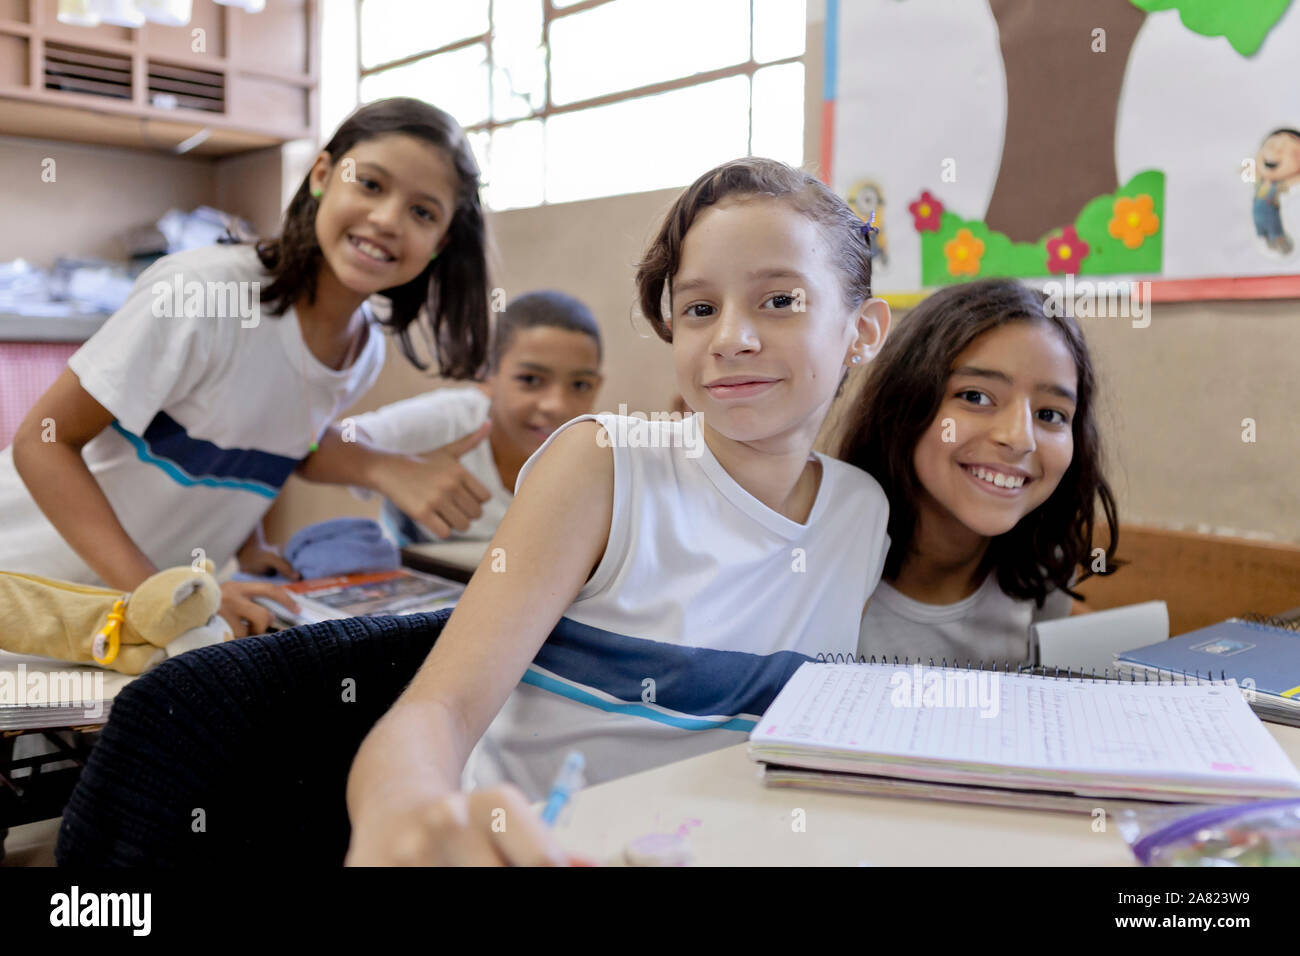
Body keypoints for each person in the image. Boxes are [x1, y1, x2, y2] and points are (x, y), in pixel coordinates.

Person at [344, 157, 893, 865]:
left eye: (780, 300)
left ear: (863, 330)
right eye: (699, 309)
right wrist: (404, 808)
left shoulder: (861, 512)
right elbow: (437, 710)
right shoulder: (604, 465)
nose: (730, 338)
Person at [0, 97, 493, 636]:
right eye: (371, 184)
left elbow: (262, 440)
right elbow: (42, 442)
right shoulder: (201, 292)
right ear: (322, 175)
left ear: (442, 241)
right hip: (23, 592)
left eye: (423, 212)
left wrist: (250, 543)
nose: (387, 220)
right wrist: (160, 594)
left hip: (123, 621)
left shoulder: (365, 350)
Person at [840, 278, 1119, 665]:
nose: (1019, 439)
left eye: (1050, 414)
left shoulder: (1043, 569)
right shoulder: (830, 565)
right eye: (975, 396)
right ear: (901, 403)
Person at [350, 290, 604, 543]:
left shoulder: (597, 462)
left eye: (580, 385)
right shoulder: (449, 421)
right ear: (486, 375)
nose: (556, 406)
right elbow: (335, 439)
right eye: (530, 380)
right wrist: (390, 469)